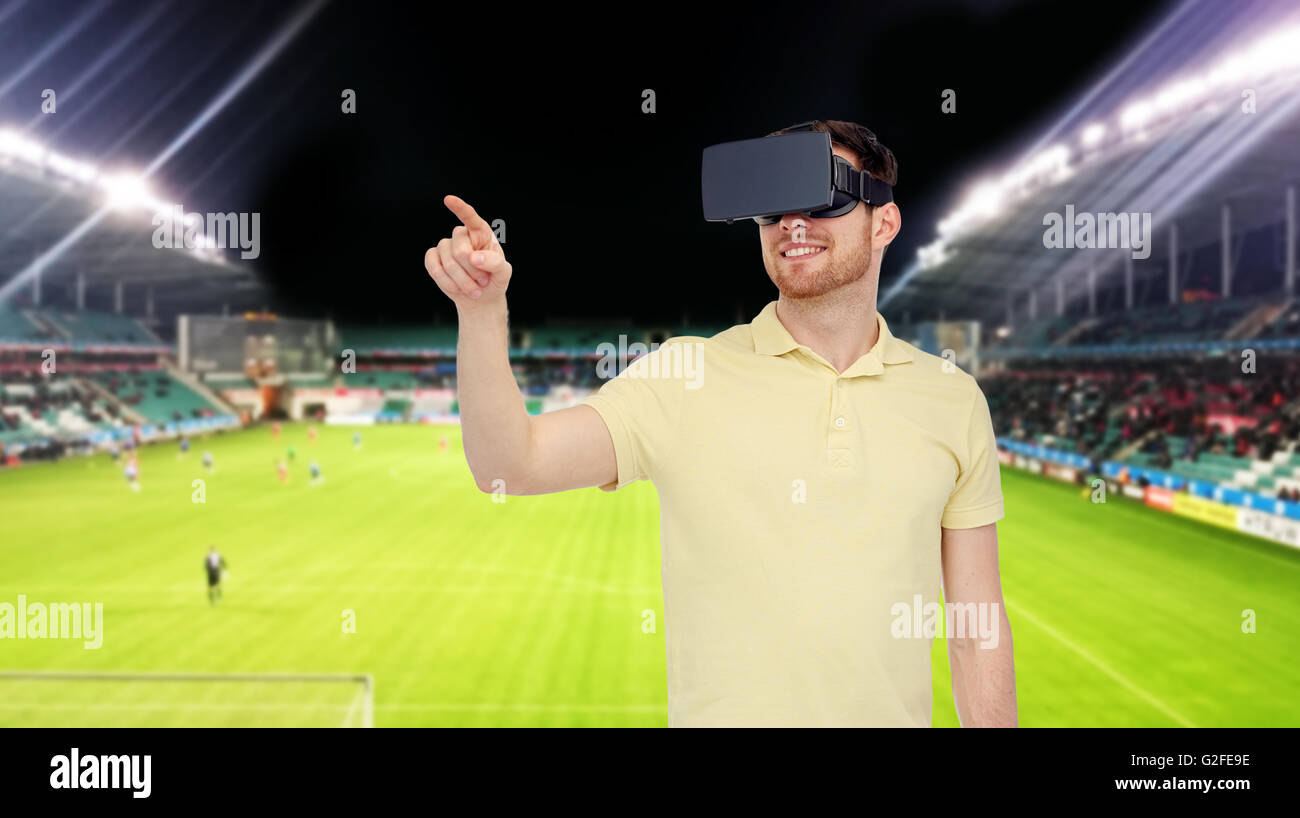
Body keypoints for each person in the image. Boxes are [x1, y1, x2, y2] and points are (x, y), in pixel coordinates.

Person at [424, 119, 1014, 728]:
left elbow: (977, 628)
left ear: (884, 222)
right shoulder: (683, 374)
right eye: (772, 207)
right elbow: (509, 466)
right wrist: (481, 310)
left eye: (823, 197)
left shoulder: (951, 399)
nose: (793, 223)